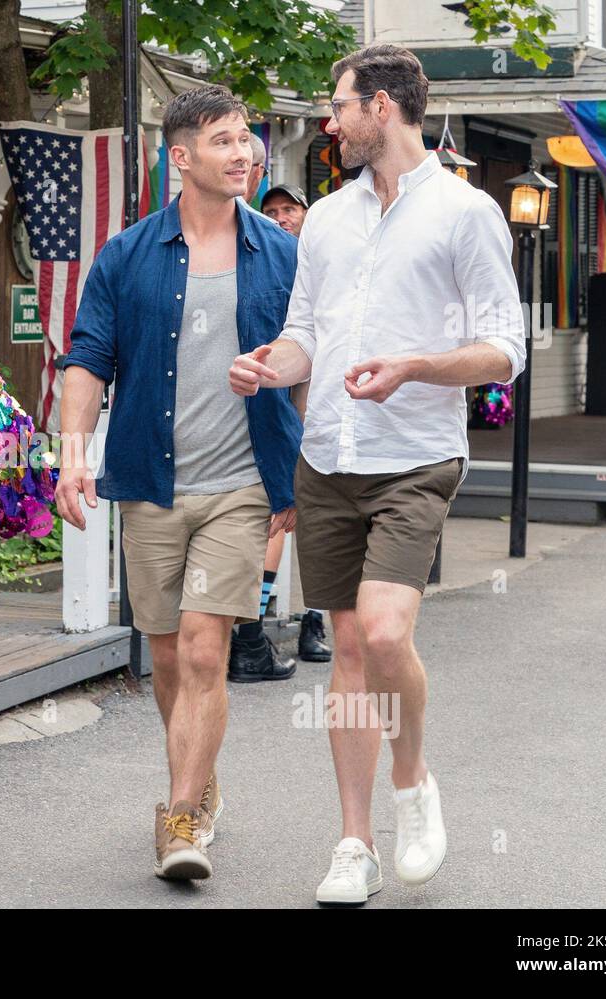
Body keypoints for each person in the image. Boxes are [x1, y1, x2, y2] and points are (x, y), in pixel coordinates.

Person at [229, 43, 526, 905]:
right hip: (328, 454)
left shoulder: (467, 213)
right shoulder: (324, 218)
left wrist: (413, 367)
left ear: (385, 108)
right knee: (349, 648)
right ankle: (354, 842)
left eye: (340, 105)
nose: (329, 120)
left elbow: (504, 349)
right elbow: (308, 336)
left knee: (388, 634)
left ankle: (414, 782)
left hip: (415, 457)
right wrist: (268, 364)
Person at [58, 84, 302, 881]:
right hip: (152, 483)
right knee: (165, 655)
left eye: (248, 140)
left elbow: (313, 355)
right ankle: (201, 780)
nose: (244, 154)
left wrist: (299, 456)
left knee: (204, 648)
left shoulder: (281, 251)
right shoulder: (126, 256)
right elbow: (90, 359)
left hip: (242, 485)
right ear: (183, 155)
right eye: (226, 141)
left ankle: (180, 816)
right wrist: (71, 454)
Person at [232, 178, 333, 675]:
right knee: (276, 512)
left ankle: (314, 620)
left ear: (305, 214)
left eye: (289, 209)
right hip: (266, 392)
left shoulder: (312, 258)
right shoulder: (255, 255)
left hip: (314, 392)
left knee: (315, 519)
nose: (279, 216)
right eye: (270, 208)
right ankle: (251, 628)